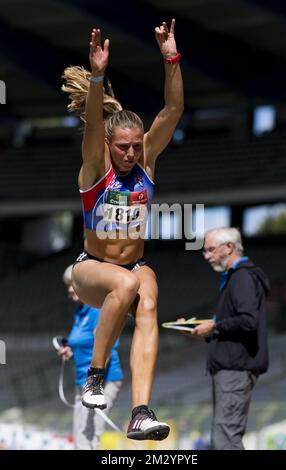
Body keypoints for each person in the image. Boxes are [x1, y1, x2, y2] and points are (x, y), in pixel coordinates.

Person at [61, 19, 183, 440]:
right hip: (92, 268)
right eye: (123, 147)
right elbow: (94, 124)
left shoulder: (146, 160)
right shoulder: (96, 167)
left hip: (135, 264)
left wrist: (170, 58)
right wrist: (97, 76)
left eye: (136, 146)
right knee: (127, 287)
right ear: (109, 146)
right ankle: (96, 376)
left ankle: (141, 413)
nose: (132, 153)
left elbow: (173, 111)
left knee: (147, 300)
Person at [184, 227, 270, 450]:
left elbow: (248, 321)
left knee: (225, 438)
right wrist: (198, 328)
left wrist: (214, 327)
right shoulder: (235, 277)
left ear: (229, 247)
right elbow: (232, 325)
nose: (206, 256)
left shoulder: (242, 277)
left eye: (211, 250)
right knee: (223, 437)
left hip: (236, 368)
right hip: (231, 367)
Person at [58, 265, 123, 450]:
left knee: (89, 436)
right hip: (82, 382)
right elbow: (85, 344)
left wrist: (95, 384)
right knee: (81, 436)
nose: (69, 289)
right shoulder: (80, 312)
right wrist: (70, 352)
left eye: (73, 284)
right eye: (68, 285)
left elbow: (106, 348)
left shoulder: (98, 310)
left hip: (101, 382)